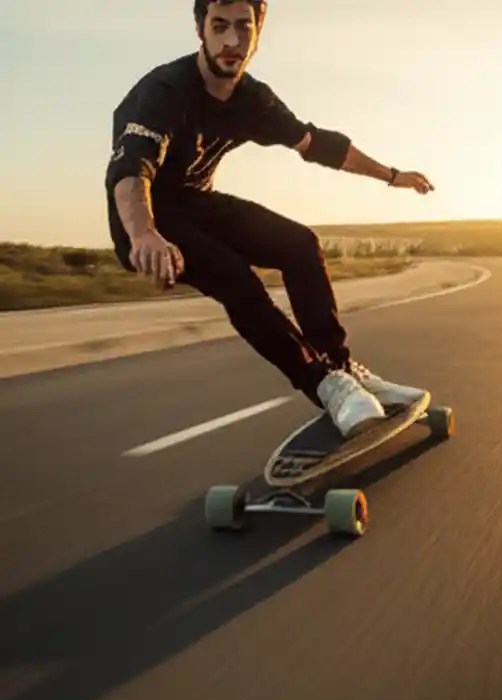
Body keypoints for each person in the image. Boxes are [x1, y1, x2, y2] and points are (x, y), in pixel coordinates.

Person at [106, 0, 435, 438]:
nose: (231, 41)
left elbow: (316, 144)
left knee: (300, 244)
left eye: (243, 27)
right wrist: (144, 235)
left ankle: (342, 369)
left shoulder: (253, 100)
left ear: (258, 32)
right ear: (200, 29)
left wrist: (392, 176)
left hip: (197, 204)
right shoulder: (164, 91)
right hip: (147, 217)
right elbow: (132, 171)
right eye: (219, 26)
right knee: (234, 277)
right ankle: (326, 386)